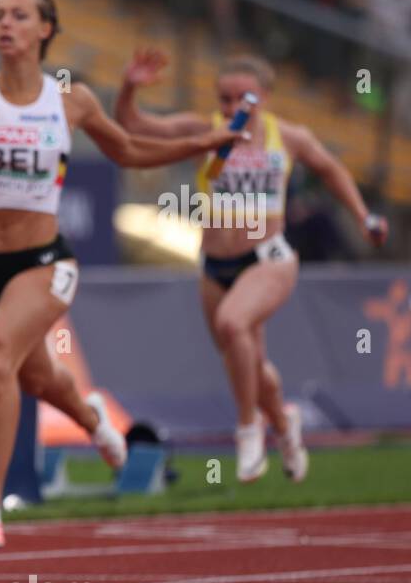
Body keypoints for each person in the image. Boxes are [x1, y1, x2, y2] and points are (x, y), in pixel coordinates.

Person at [0, 0, 246, 549]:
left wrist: (204, 141)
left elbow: (130, 151)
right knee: (35, 377)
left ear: (45, 30)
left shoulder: (71, 100)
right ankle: (97, 424)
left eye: (19, 15)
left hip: (46, 260)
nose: (4, 24)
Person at [115, 48, 388, 482]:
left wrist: (363, 216)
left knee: (232, 324)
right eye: (224, 98)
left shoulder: (287, 136)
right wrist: (130, 86)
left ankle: (248, 431)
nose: (232, 108)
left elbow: (331, 169)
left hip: (269, 258)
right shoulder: (203, 130)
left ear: (264, 97)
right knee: (249, 363)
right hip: (214, 266)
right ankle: (285, 423)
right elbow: (133, 125)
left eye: (243, 99)